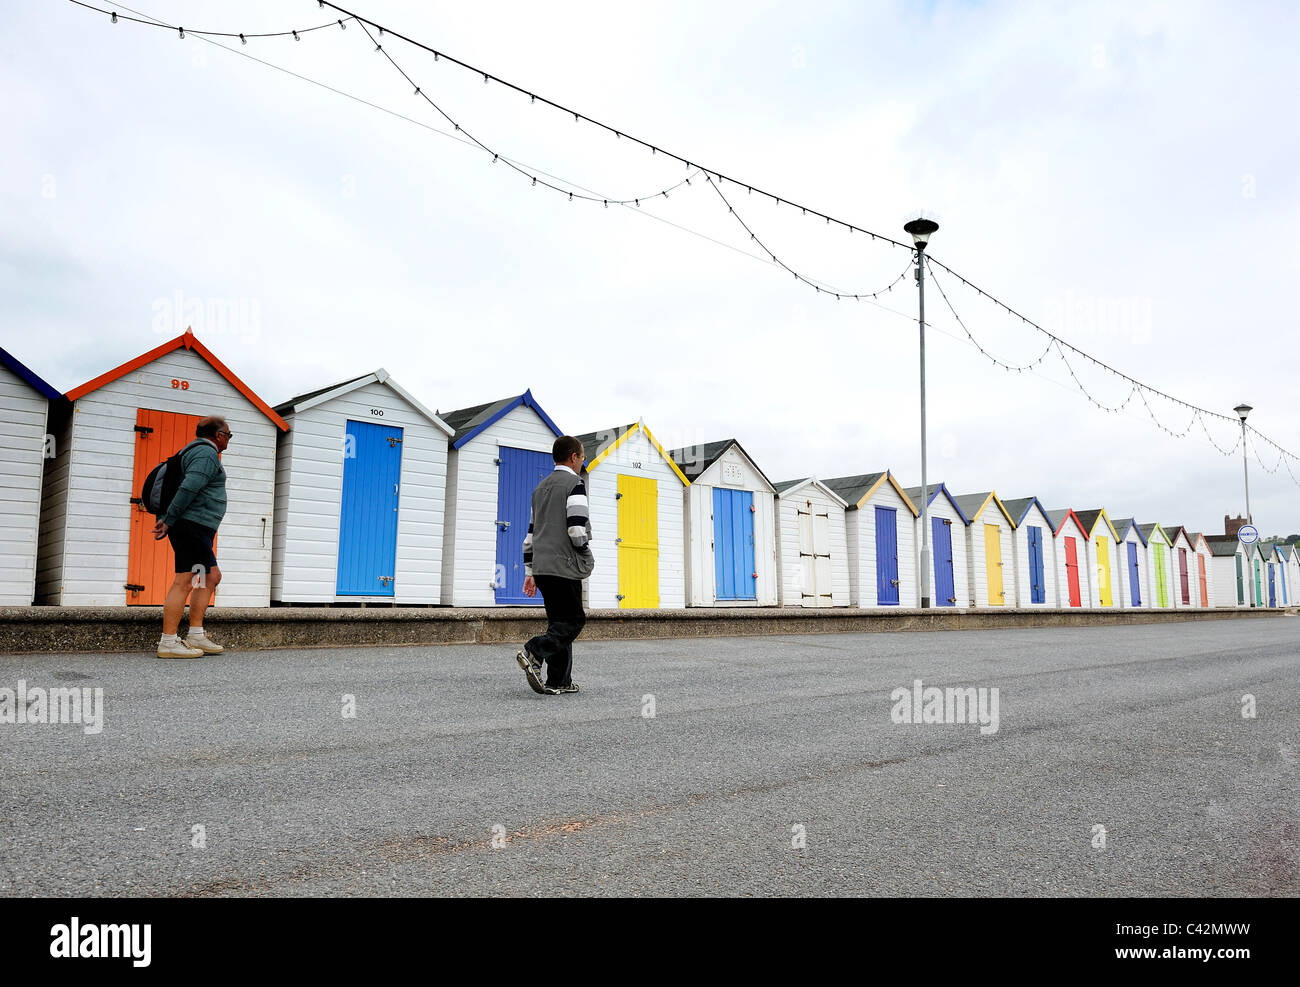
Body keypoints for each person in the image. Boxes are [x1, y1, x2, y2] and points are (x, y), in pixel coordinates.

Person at [516, 436, 595, 695]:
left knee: (559, 623)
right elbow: (576, 528)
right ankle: (535, 650)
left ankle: (559, 680)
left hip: (542, 566)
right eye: (582, 458)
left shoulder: (540, 489)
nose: (582, 462)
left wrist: (530, 572)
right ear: (573, 457)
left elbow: (530, 535)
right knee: (573, 620)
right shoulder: (575, 484)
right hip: (565, 565)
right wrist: (584, 549)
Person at [151, 416, 231, 659]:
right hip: (191, 525)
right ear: (218, 435)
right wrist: (170, 520)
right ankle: (168, 641)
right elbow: (190, 487)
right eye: (228, 434)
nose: (228, 439)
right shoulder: (206, 453)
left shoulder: (195, 451)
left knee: (208, 576)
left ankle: (195, 634)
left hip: (196, 525)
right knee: (185, 580)